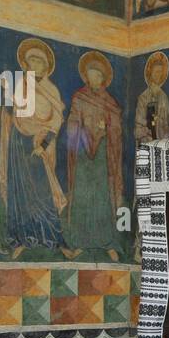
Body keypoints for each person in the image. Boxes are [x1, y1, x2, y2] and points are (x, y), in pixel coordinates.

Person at [1, 39, 66, 254]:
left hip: (40, 144)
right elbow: (13, 113)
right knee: (21, 190)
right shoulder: (21, 86)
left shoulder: (52, 90)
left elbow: (56, 121)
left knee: (43, 191)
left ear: (46, 66)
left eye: (38, 61)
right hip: (19, 142)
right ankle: (21, 239)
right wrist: (7, 94)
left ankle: (52, 238)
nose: (34, 65)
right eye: (30, 61)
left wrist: (44, 145)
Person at [62, 52, 124, 261]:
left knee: (102, 198)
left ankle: (107, 242)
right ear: (86, 77)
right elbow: (71, 122)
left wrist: (105, 128)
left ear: (103, 78)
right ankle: (80, 242)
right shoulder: (79, 98)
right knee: (82, 197)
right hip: (83, 154)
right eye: (90, 75)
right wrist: (80, 131)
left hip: (102, 157)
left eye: (97, 75)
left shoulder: (110, 102)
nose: (93, 79)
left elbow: (116, 129)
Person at [136, 52, 169, 143]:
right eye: (156, 72)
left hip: (161, 141)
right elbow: (139, 122)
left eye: (161, 72)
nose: (158, 75)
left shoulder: (164, 97)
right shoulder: (143, 97)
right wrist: (148, 125)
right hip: (146, 140)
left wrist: (159, 121)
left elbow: (167, 123)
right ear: (150, 72)